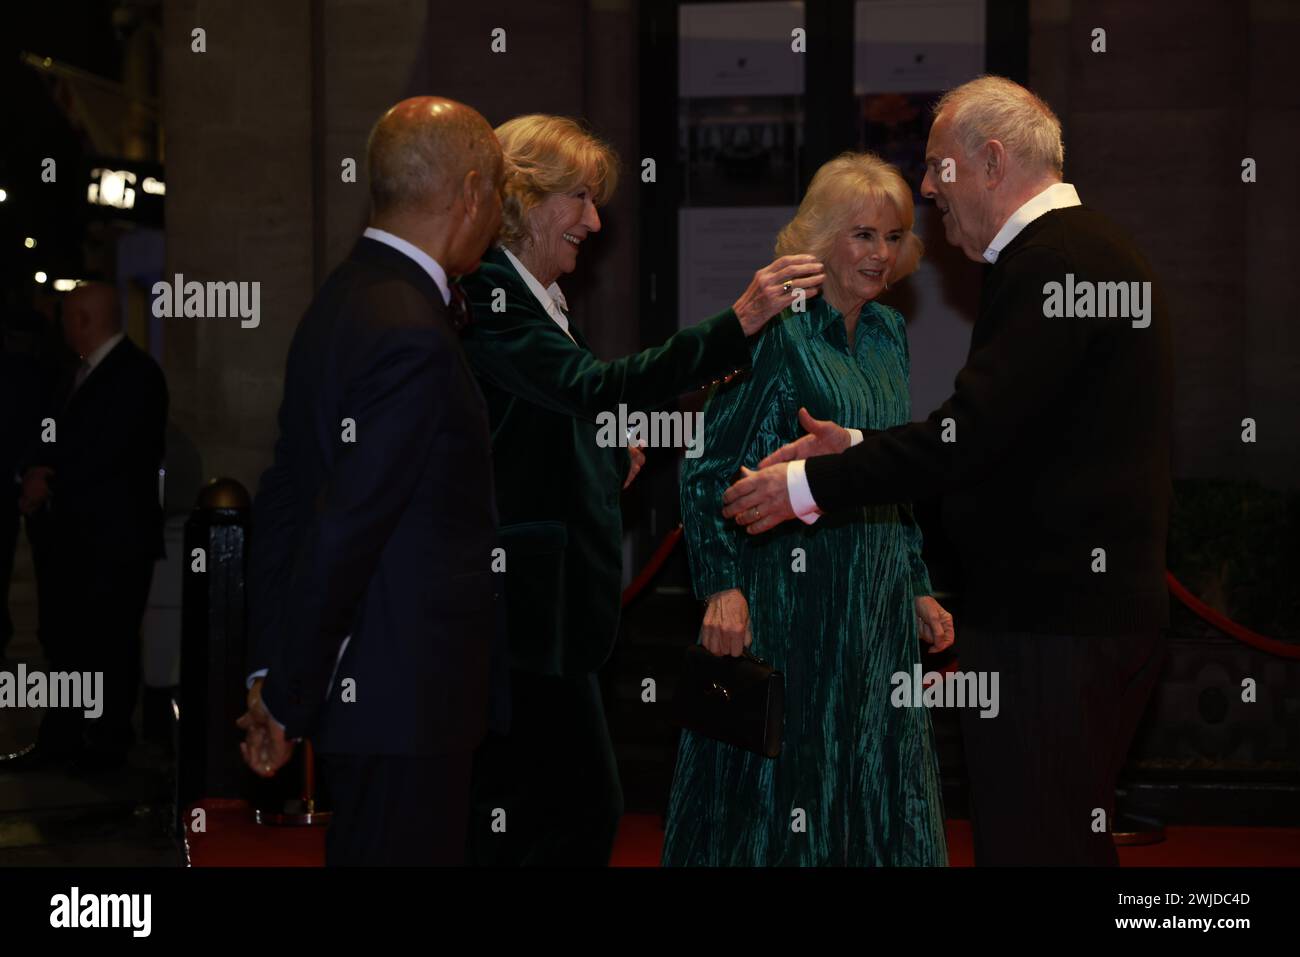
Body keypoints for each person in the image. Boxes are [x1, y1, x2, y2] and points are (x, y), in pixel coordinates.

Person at [721, 76, 1173, 866]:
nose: (927, 188)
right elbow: (1001, 438)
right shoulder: (1091, 249)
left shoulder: (1052, 262)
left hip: (1051, 629)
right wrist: (857, 449)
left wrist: (802, 485)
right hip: (1081, 620)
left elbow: (967, 439)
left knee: (1037, 846)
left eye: (938, 168)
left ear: (991, 161)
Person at [458, 113, 824, 866]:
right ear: (525, 196)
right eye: (583, 200)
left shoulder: (536, 297)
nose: (595, 221)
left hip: (552, 610)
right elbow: (586, 387)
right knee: (572, 809)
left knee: (551, 809)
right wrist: (739, 321)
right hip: (526, 611)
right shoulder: (494, 290)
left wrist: (601, 444)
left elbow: (553, 415)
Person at [663, 152, 954, 866]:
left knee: (878, 776)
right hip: (794, 599)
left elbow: (891, 466)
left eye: (893, 236)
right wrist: (720, 585)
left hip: (877, 602)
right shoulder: (777, 331)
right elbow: (706, 466)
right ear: (820, 237)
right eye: (862, 234)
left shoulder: (889, 334)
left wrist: (915, 582)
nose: (881, 254)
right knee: (791, 779)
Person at [238, 96, 507, 866]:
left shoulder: (340, 300)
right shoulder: (412, 331)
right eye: (496, 196)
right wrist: (286, 697)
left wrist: (271, 673)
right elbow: (344, 528)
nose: (496, 218)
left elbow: (286, 500)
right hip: (406, 703)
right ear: (466, 194)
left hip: (370, 700)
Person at [3, 282, 168, 773]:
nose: (62, 329)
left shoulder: (135, 376)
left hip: (111, 541)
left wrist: (49, 478)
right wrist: (34, 469)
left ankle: (107, 741)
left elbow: (113, 453)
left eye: (68, 319)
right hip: (71, 540)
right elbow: (51, 434)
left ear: (85, 320)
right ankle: (62, 737)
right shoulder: (76, 376)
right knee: (66, 642)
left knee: (108, 643)